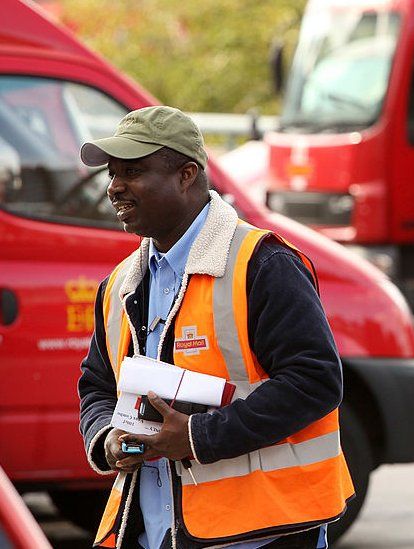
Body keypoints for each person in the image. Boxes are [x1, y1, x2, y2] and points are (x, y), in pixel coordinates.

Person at [77, 106, 354, 549]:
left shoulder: (263, 263)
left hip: (259, 534)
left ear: (187, 175)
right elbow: (96, 385)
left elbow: (315, 381)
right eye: (112, 174)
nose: (115, 188)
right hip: (157, 532)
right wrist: (107, 437)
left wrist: (195, 436)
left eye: (132, 172)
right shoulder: (120, 285)